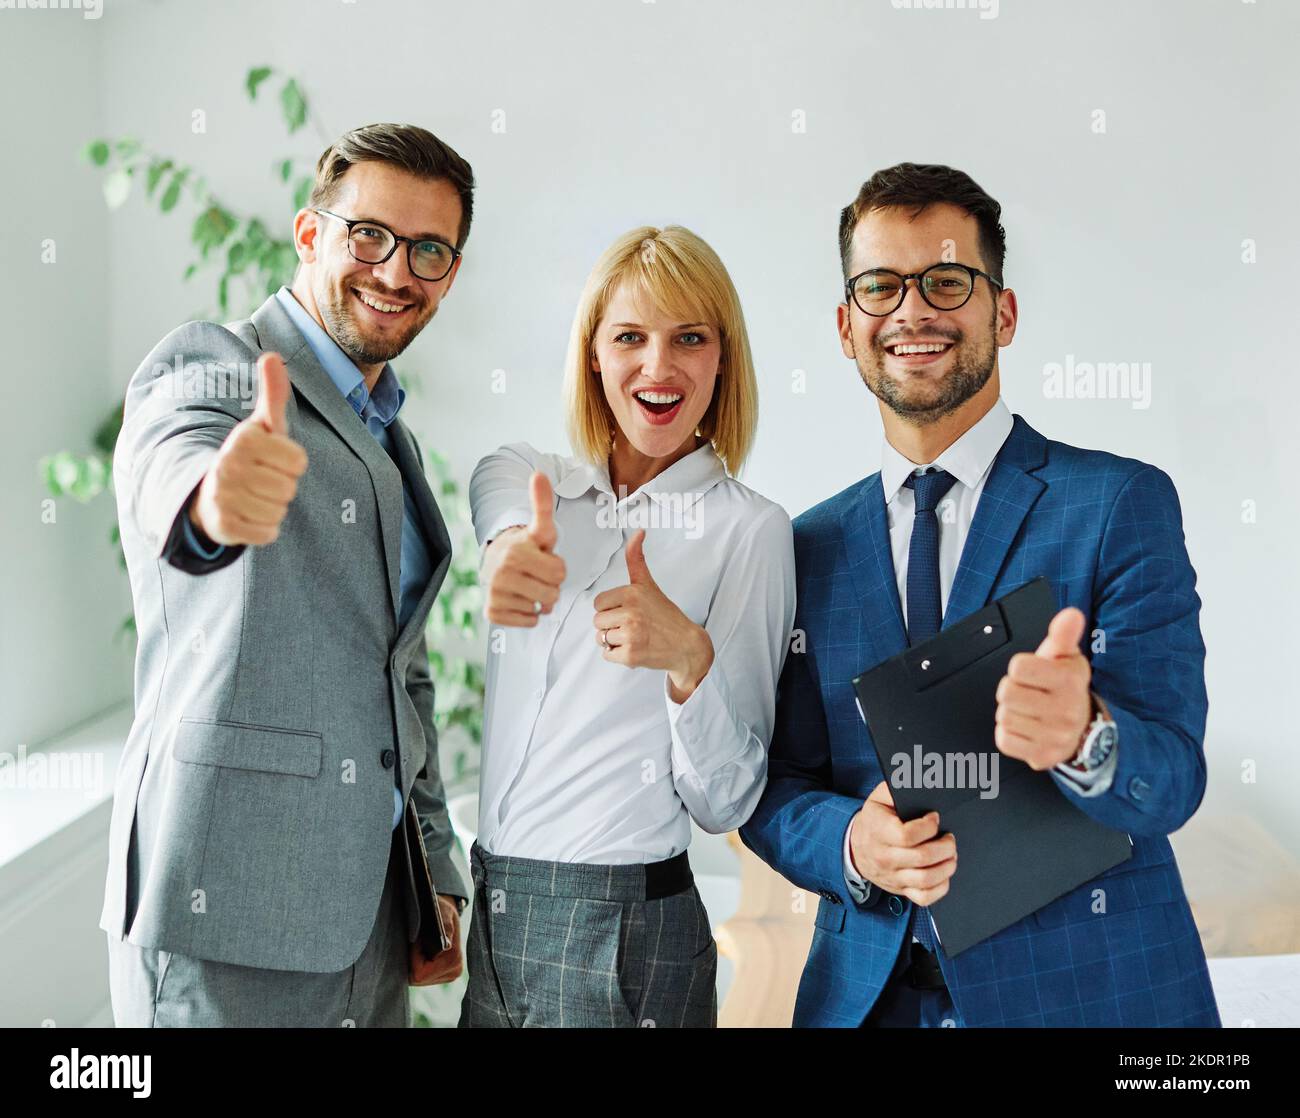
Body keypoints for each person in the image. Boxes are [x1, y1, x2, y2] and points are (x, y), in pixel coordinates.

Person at [740, 163, 1220, 1028]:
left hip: (1088, 999)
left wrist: (1086, 738)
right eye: (881, 287)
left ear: (1002, 311)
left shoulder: (1118, 504)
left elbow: (1175, 781)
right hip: (872, 1002)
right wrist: (851, 842)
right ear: (847, 328)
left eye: (947, 281)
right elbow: (774, 787)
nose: (912, 311)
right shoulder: (802, 545)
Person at [101, 123, 473, 1026]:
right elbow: (171, 467)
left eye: (429, 250)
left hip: (369, 928)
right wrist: (211, 504)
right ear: (310, 236)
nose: (395, 271)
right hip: (222, 920)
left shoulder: (394, 438)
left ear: (450, 274)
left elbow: (401, 675)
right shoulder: (219, 367)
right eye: (369, 235)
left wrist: (434, 869)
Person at [460, 225, 795, 1028]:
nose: (658, 366)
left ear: (723, 360)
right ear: (593, 356)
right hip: (496, 910)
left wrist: (688, 659)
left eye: (689, 338)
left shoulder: (750, 531)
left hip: (627, 933)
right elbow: (493, 484)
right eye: (630, 338)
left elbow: (729, 801)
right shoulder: (536, 484)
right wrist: (506, 552)